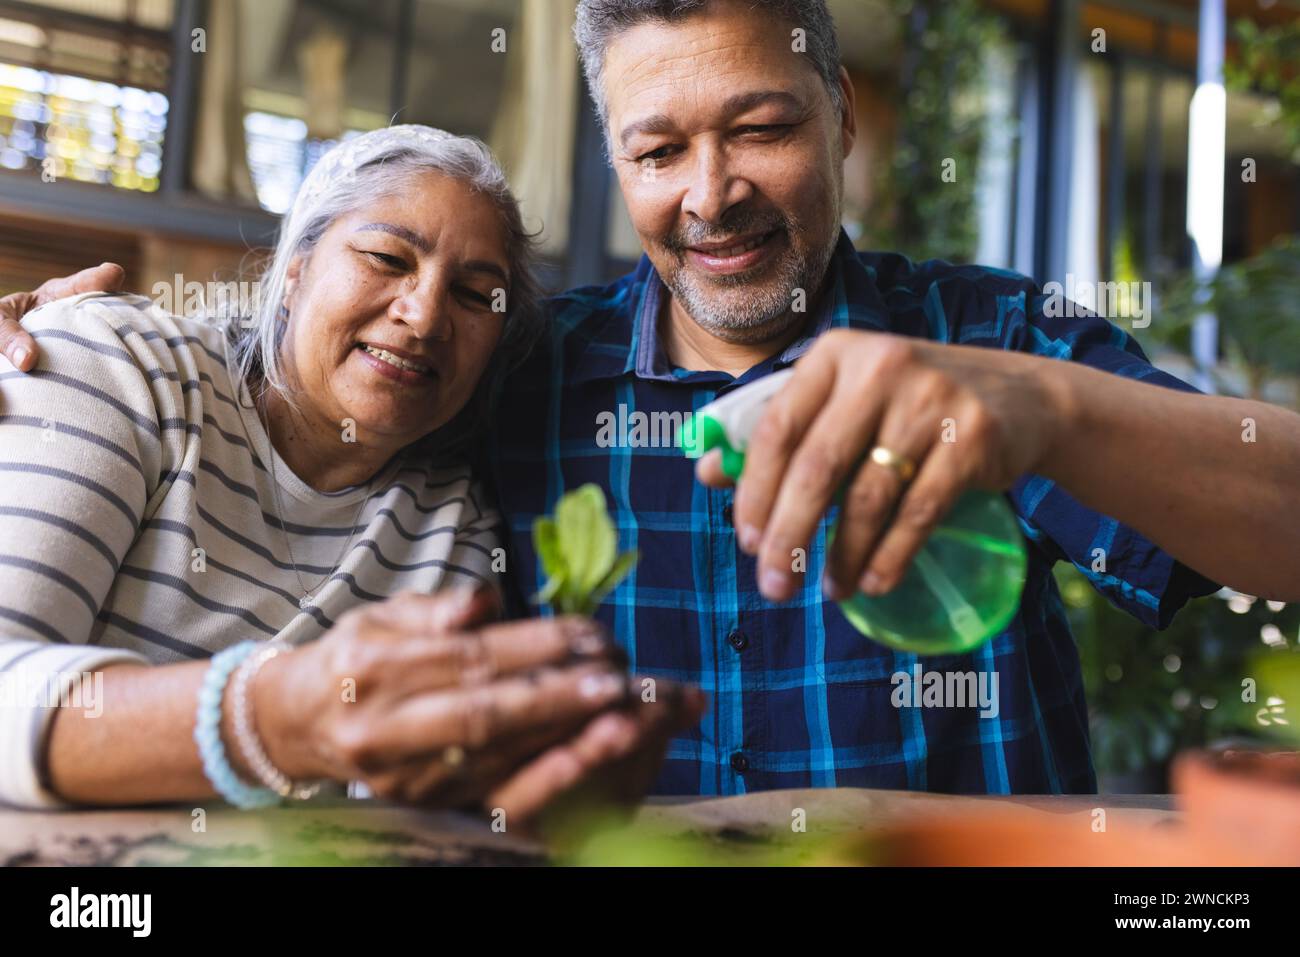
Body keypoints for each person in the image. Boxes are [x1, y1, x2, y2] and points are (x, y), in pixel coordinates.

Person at [6, 0, 1300, 797]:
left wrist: (1048, 409)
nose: (711, 191)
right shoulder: (517, 373)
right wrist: (58, 338)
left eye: (761, 129)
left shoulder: (991, 339)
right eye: (659, 148)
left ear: (840, 118)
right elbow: (313, 359)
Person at [0, 125, 702, 818]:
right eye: (387, 257)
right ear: (296, 267)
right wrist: (270, 718)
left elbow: (392, 811)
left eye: (472, 294)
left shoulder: (450, 523)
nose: (424, 316)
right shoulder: (121, 364)